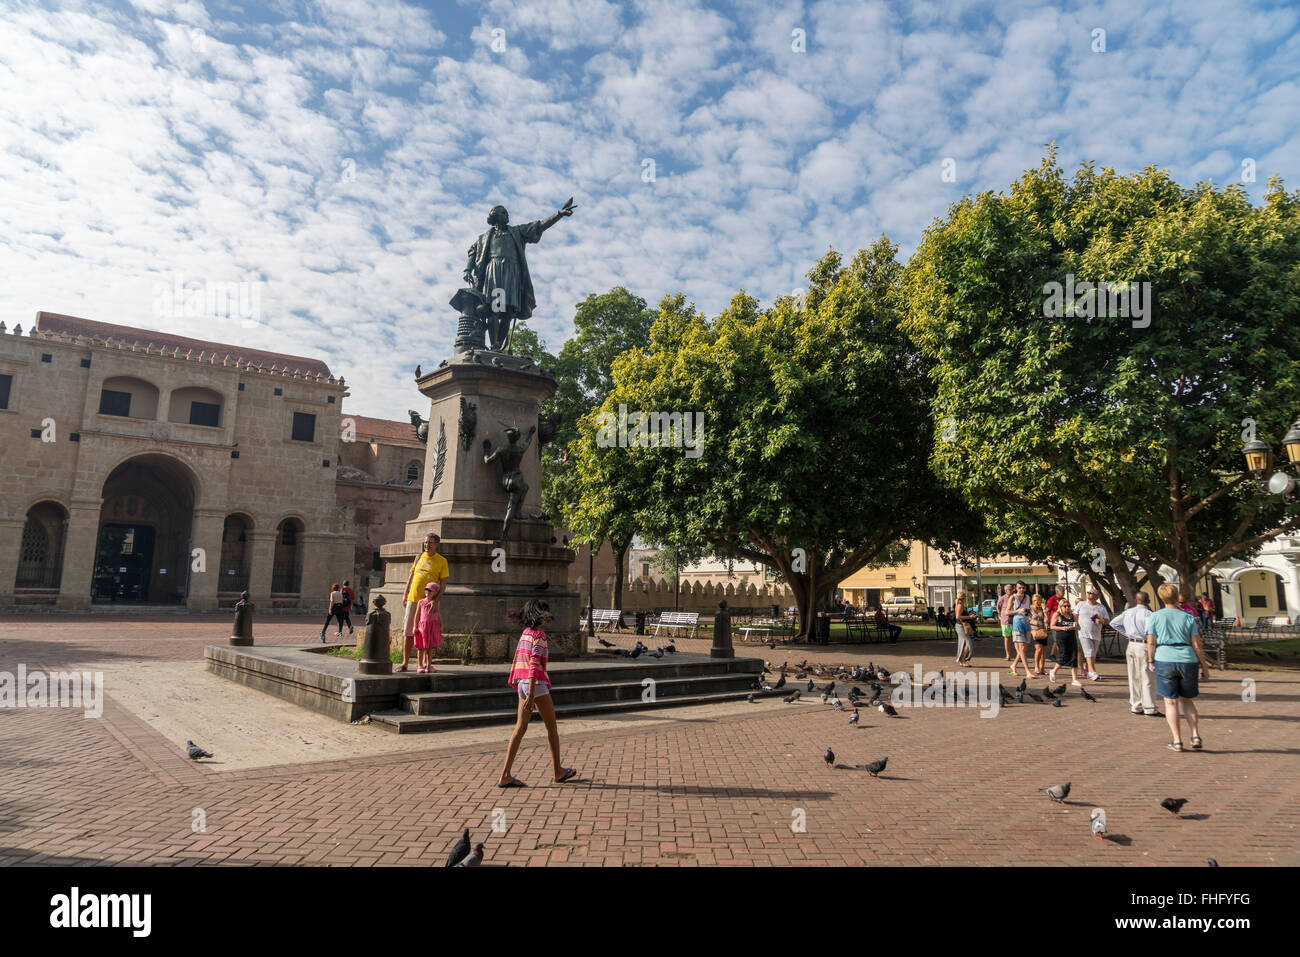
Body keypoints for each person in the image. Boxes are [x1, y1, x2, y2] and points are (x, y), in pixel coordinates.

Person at [498, 599, 577, 788]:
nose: (547, 620)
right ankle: (558, 770)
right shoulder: (539, 635)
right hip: (536, 685)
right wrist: (532, 693)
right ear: (540, 616)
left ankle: (505, 774)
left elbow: (518, 660)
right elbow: (534, 664)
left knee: (520, 728)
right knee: (552, 727)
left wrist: (521, 687)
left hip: (523, 683)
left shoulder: (525, 634)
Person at [1147, 583, 1213, 752]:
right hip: (1187, 658)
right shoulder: (1188, 617)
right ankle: (1195, 735)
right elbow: (1197, 644)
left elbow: (1151, 640)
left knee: (1170, 702)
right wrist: (1204, 667)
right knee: (1187, 700)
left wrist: (1150, 659)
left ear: (1162, 598)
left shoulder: (1155, 616)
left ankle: (1177, 740)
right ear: (1177, 597)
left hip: (1164, 658)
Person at [400, 533, 450, 672]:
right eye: (425, 542)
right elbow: (411, 576)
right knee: (408, 632)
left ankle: (425, 664)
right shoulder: (418, 557)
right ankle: (405, 663)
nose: (427, 545)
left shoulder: (441, 561)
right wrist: (405, 594)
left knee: (425, 634)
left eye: (430, 543)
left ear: (437, 544)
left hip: (428, 603)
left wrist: (436, 601)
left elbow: (443, 583)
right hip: (413, 598)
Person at [1111, 591, 1157, 716]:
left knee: (1133, 676)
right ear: (1148, 601)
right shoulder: (1148, 614)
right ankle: (1149, 706)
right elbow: (1149, 631)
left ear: (1136, 601)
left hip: (1131, 644)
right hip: (1143, 644)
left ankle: (1136, 705)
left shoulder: (1128, 612)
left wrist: (1128, 633)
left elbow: (1114, 623)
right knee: (1146, 676)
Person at [1073, 587, 1110, 681]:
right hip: (1083, 633)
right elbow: (1075, 615)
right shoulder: (1081, 604)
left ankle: (1090, 672)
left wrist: (1101, 620)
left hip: (1096, 634)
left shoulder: (1101, 607)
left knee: (1093, 653)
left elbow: (1107, 620)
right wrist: (1076, 624)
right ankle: (1092, 672)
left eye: (1092, 593)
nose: (1089, 594)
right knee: (1089, 652)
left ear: (1097, 596)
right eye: (1088, 592)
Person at [1048, 599, 1082, 687]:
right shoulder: (1058, 615)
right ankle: (1053, 671)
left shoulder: (1072, 616)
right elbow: (1052, 626)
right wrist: (1062, 628)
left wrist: (1075, 627)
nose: (1067, 608)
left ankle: (1074, 679)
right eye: (1065, 606)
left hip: (1072, 637)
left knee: (1074, 657)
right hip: (1062, 638)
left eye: (1068, 606)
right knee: (1064, 657)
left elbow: (1078, 627)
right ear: (1061, 607)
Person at [413, 582, 443, 673]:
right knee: (421, 647)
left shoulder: (436, 603)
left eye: (430, 590)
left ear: (435, 593)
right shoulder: (421, 602)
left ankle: (428, 665)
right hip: (422, 627)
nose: (427, 591)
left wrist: (441, 625)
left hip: (433, 627)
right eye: (426, 589)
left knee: (430, 647)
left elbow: (438, 614)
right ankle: (420, 665)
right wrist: (415, 626)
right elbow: (417, 615)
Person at [1007, 582, 1033, 678]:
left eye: (1023, 588)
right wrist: (1018, 610)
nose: (1021, 589)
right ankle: (1028, 671)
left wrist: (1030, 616)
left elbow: (1029, 610)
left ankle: (1013, 665)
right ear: (1016, 588)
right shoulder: (1013, 597)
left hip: (1026, 623)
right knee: (1021, 647)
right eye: (1019, 588)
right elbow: (1007, 612)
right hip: (1017, 622)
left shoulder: (1028, 597)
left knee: (1024, 648)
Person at [1028, 593, 1049, 675]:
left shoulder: (1042, 609)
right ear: (1032, 601)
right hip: (1034, 631)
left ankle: (1042, 668)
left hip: (1043, 631)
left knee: (1044, 650)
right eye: (1035, 600)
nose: (1037, 602)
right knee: (1038, 649)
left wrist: (1044, 609)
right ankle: (1036, 666)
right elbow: (1027, 619)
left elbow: (1047, 619)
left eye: (1038, 600)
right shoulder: (1030, 609)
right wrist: (1032, 623)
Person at [1045, 584, 1066, 659]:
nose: (1064, 592)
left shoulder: (1063, 599)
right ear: (1057, 591)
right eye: (1062, 591)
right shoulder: (1052, 599)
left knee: (1060, 639)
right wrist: (1047, 620)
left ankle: (1052, 654)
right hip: (1054, 621)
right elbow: (1046, 610)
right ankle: (1061, 655)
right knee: (1057, 639)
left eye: (1064, 590)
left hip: (1062, 621)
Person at [954, 595, 976, 665]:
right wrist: (970, 617)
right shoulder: (960, 605)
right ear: (964, 598)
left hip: (961, 626)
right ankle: (963, 660)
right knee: (968, 642)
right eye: (966, 598)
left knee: (963, 643)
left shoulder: (961, 605)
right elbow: (958, 616)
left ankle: (961, 660)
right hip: (960, 626)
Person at [996, 584, 1014, 662]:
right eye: (1009, 589)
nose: (1010, 591)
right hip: (1005, 621)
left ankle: (1019, 655)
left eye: (1011, 589)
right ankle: (1008, 655)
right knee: (1007, 638)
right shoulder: (1002, 598)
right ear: (1005, 590)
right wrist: (1002, 617)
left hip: (1014, 620)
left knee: (1017, 639)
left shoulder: (1015, 597)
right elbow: (998, 609)